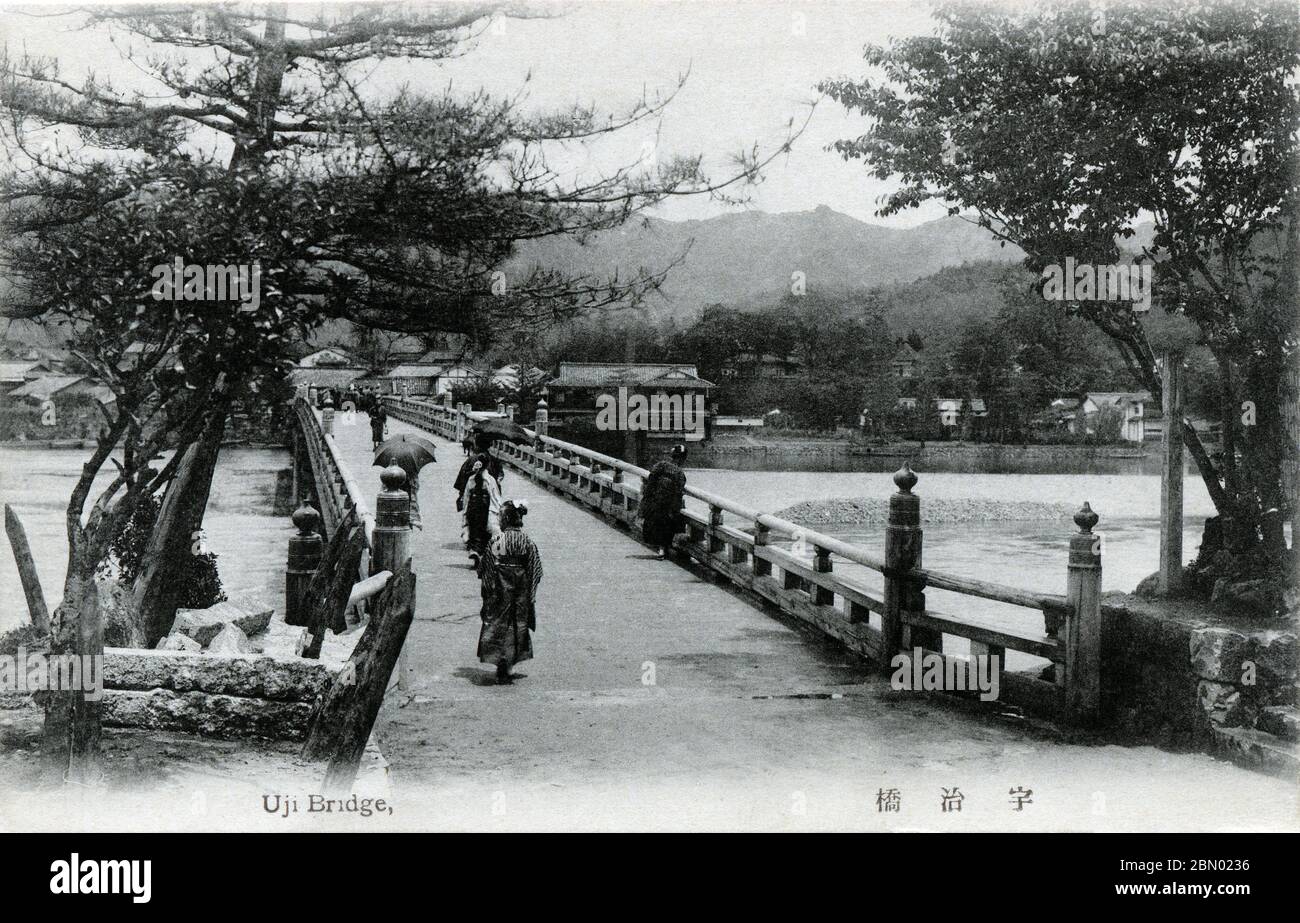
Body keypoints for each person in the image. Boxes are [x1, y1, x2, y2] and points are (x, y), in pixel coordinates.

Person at [477, 500, 542, 685]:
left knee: (497, 623)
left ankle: (500, 662)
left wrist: (488, 589)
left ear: (505, 519)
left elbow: (486, 569)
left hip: (499, 588)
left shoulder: (497, 541)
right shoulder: (527, 541)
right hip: (520, 588)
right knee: (517, 624)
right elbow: (535, 570)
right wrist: (530, 592)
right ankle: (511, 662)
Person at [639, 443, 687, 559]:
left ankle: (661, 548)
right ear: (683, 459)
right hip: (666, 507)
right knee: (670, 520)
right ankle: (663, 548)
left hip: (653, 503)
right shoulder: (680, 474)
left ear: (672, 456)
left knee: (657, 519)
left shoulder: (660, 465)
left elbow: (650, 483)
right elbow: (678, 494)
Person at [460, 458, 501, 563]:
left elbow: (466, 498)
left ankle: (475, 552)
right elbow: (495, 497)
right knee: (485, 534)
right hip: (485, 509)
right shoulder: (490, 480)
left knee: (474, 532)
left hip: (473, 509)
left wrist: (465, 512)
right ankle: (483, 556)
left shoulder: (471, 479)